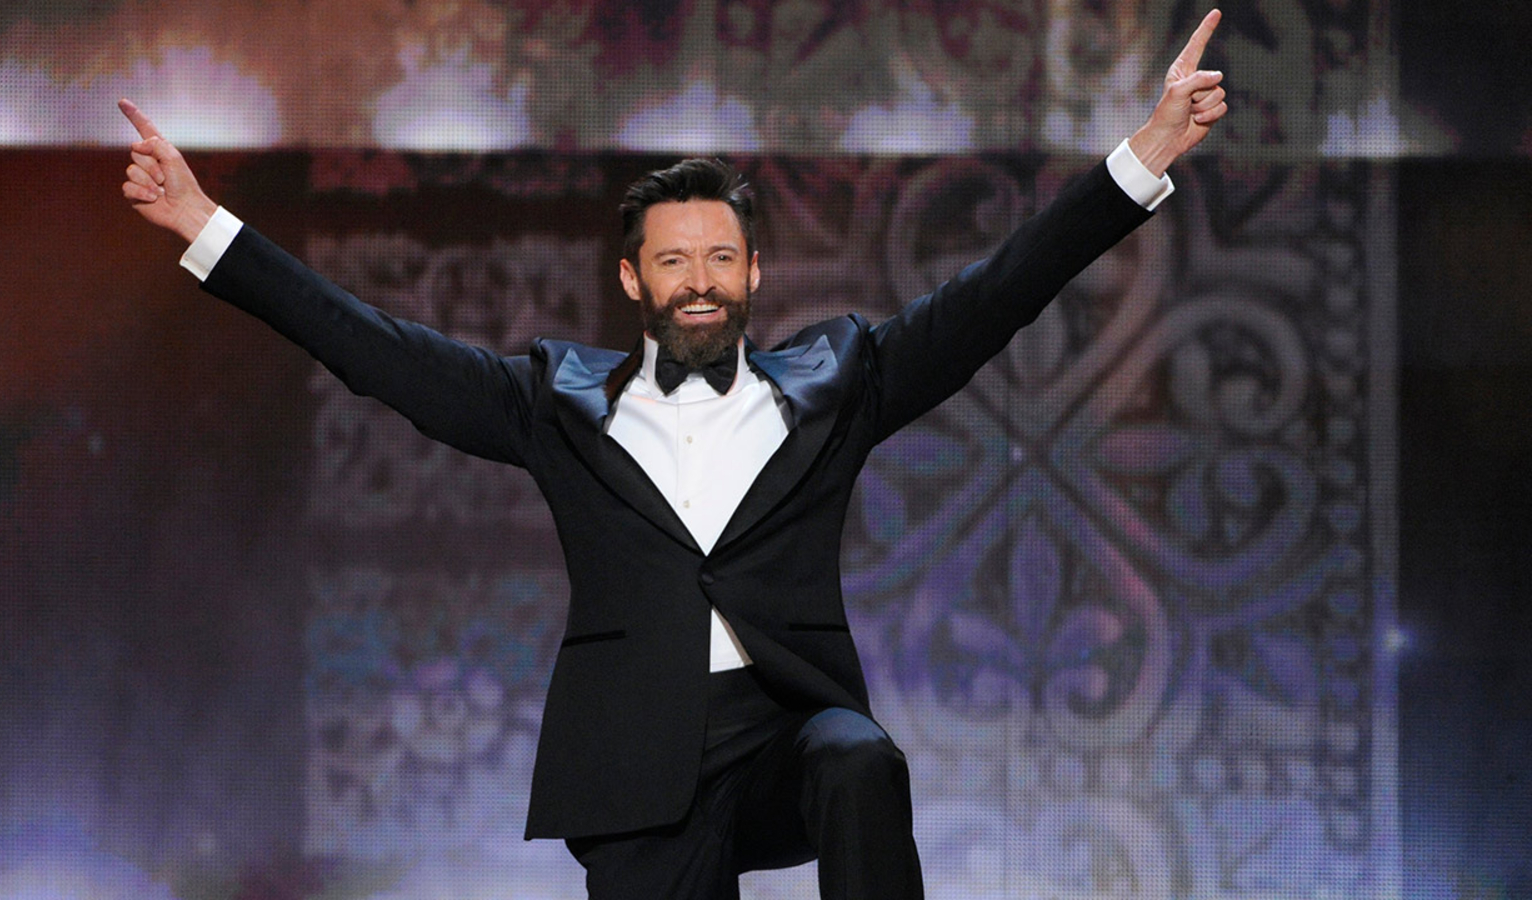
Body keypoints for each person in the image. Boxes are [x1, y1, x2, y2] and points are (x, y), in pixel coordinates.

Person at [119, 10, 1227, 898]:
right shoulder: (550, 401)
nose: (698, 278)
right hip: (634, 756)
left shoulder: (843, 379)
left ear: (752, 276)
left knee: (859, 760)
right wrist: (211, 227)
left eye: (721, 257)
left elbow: (1002, 293)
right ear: (632, 283)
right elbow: (374, 349)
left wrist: (1142, 155)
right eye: (673, 260)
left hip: (784, 731)